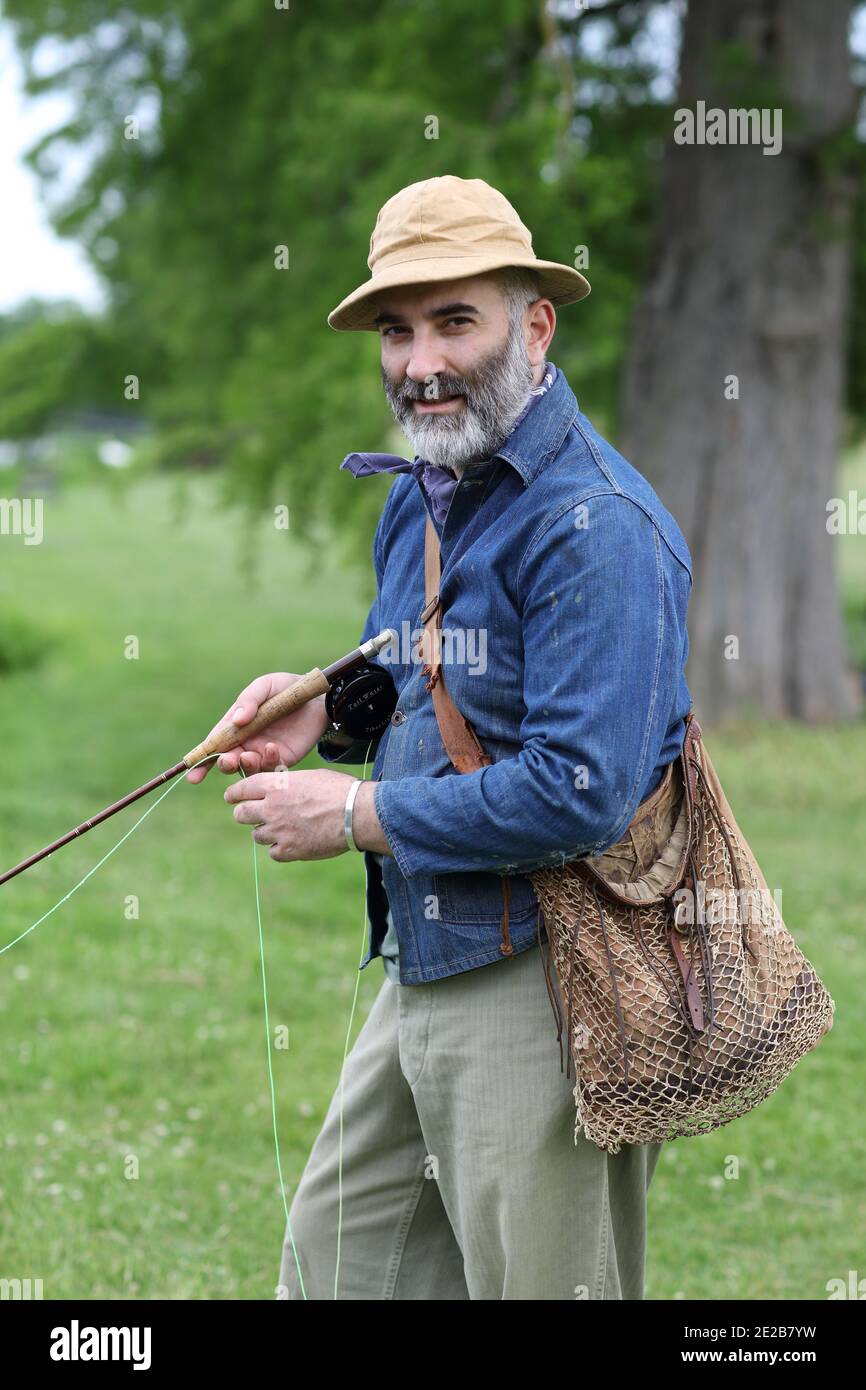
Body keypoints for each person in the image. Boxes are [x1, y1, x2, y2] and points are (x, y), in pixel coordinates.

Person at [188, 175, 693, 1300]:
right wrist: (318, 705)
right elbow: (405, 675)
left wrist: (356, 816)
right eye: (396, 327)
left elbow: (576, 792)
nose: (419, 360)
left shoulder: (596, 527)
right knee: (336, 1269)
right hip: (427, 952)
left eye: (454, 319)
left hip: (548, 972)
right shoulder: (426, 489)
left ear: (534, 322)